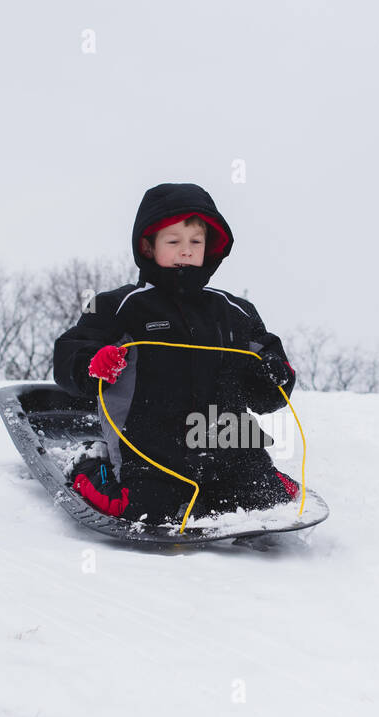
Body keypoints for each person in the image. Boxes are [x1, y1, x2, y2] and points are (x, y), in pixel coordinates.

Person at [52, 182, 301, 525]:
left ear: (209, 247)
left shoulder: (235, 311)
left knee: (269, 504)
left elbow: (267, 371)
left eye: (195, 242)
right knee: (147, 512)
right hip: (151, 444)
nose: (186, 251)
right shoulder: (118, 305)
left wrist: (274, 375)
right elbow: (72, 348)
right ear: (148, 246)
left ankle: (251, 487)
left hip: (228, 440)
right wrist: (92, 364)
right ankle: (88, 464)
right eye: (173, 241)